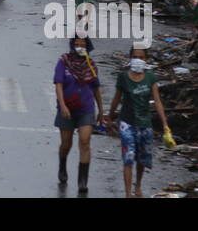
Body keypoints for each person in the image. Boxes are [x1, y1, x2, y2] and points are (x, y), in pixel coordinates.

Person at [109, 46, 171, 198]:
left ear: (146, 59)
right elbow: (117, 98)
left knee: (141, 159)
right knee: (129, 157)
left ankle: (138, 185)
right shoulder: (123, 77)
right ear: (130, 58)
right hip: (127, 123)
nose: (138, 60)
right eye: (135, 56)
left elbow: (157, 101)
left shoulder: (150, 78)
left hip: (145, 123)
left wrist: (165, 124)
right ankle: (128, 193)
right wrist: (110, 117)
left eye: (141, 57)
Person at [53, 36, 105, 193]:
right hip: (67, 109)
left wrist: (101, 110)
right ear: (71, 45)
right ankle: (62, 165)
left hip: (86, 108)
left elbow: (95, 87)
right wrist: (62, 106)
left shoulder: (91, 65)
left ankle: (82, 181)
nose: (79, 47)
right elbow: (59, 85)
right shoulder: (63, 62)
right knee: (66, 144)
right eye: (76, 44)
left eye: (83, 45)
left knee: (85, 141)